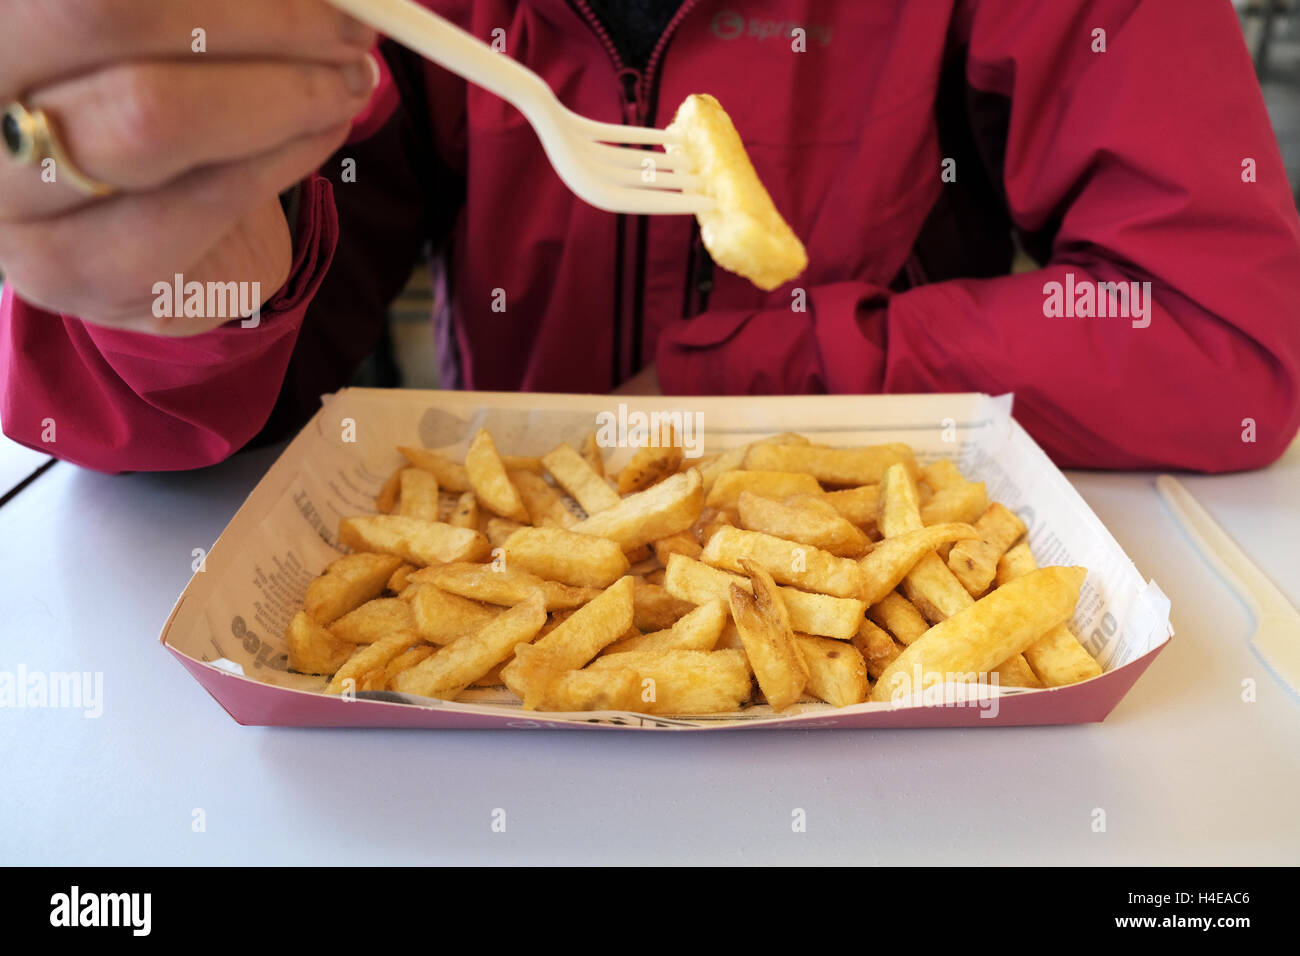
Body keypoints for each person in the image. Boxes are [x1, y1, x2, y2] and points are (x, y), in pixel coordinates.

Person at [1, 0, 1297, 474]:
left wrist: (728, 376)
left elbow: (1218, 331)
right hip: (501, 659)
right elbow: (199, 393)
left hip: (891, 654)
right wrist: (175, 288)